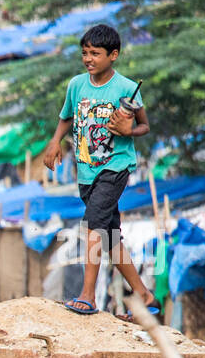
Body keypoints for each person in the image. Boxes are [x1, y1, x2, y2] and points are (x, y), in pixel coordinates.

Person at [40, 23, 159, 320]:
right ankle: (144, 294)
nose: (89, 59)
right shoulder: (76, 85)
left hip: (114, 166)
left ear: (113, 55)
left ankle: (88, 295)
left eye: (95, 53)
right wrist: (55, 142)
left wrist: (128, 129)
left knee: (92, 226)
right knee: (109, 237)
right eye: (85, 53)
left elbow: (144, 125)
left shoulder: (126, 88)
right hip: (86, 171)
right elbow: (66, 117)